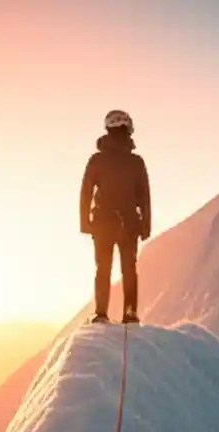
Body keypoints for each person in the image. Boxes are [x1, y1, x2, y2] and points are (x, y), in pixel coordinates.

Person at [80, 109, 151, 324]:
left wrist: (85, 223)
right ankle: (130, 313)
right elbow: (144, 196)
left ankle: (101, 313)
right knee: (129, 269)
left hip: (102, 222)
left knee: (103, 268)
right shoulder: (136, 161)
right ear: (128, 130)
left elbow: (86, 193)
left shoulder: (97, 160)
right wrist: (146, 225)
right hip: (129, 223)